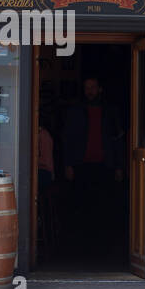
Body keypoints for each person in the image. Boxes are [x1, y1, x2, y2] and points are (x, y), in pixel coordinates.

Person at [61, 76, 124, 252]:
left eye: (93, 87)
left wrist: (119, 166)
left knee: (104, 206)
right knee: (81, 206)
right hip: (81, 165)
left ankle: (103, 245)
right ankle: (82, 246)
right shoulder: (75, 110)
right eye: (87, 87)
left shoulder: (111, 110)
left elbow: (118, 140)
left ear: (100, 89)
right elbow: (67, 139)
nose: (90, 90)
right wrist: (68, 164)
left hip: (105, 165)